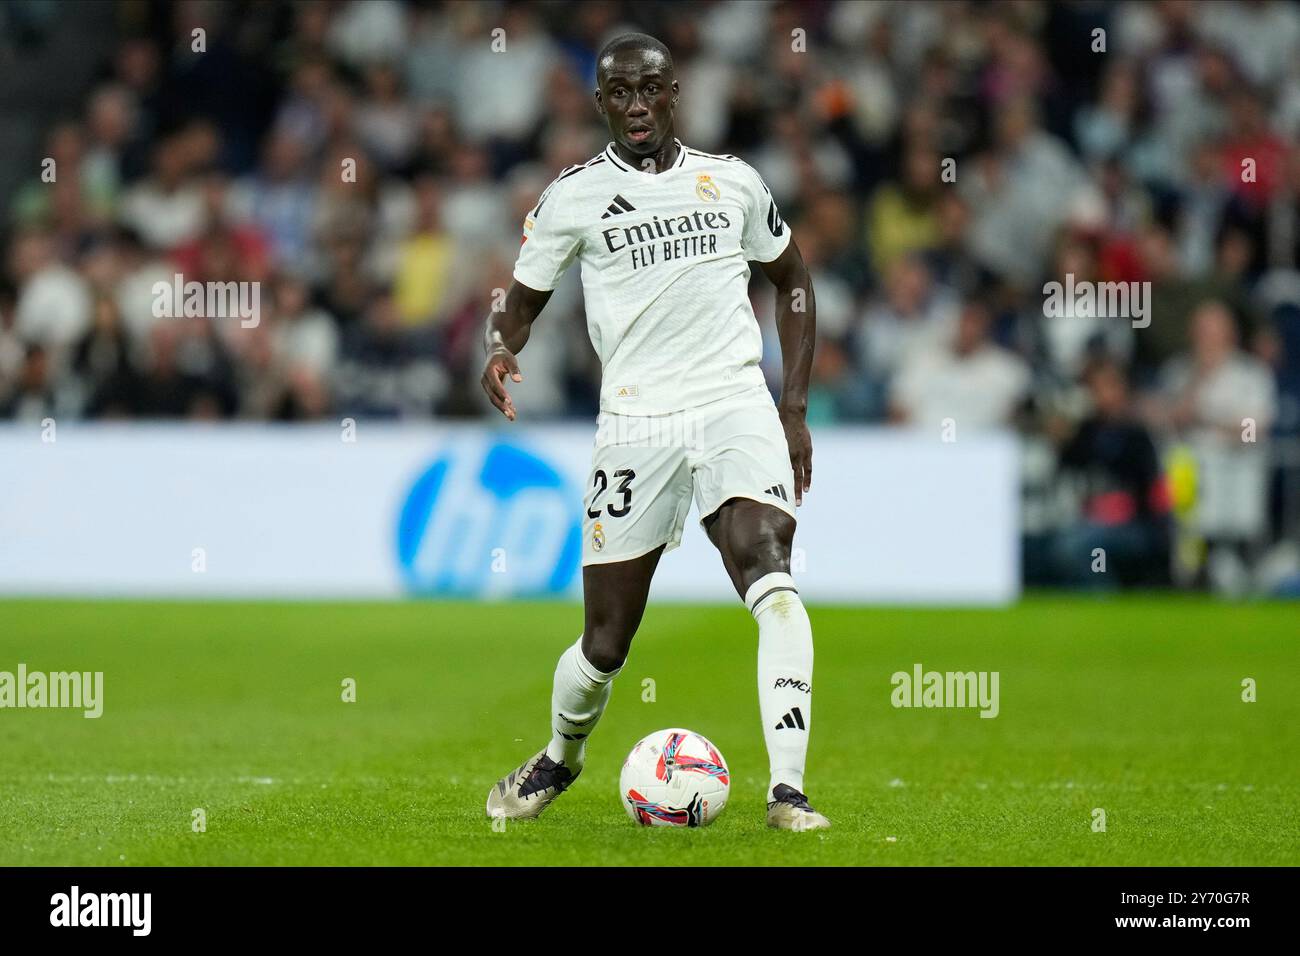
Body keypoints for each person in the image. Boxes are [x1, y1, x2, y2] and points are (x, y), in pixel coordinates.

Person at [479, 33, 827, 830]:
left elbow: (793, 278)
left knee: (770, 570)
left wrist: (793, 408)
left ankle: (789, 790)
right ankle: (559, 759)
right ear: (600, 103)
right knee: (605, 643)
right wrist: (500, 348)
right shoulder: (572, 196)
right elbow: (522, 302)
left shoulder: (731, 181)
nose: (638, 105)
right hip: (636, 423)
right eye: (620, 93)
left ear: (676, 94)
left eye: (653, 89)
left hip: (734, 403)